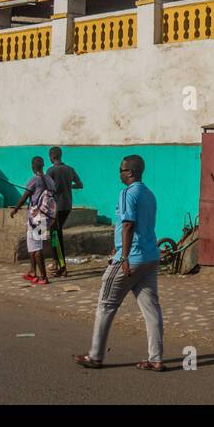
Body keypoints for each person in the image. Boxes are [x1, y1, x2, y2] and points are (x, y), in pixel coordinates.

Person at [74, 155, 164, 370]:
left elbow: (128, 225)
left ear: (130, 172)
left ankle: (95, 356)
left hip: (130, 259)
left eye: (122, 170)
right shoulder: (149, 194)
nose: (120, 173)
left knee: (105, 305)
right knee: (151, 309)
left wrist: (123, 255)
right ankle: (156, 358)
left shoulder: (127, 193)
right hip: (150, 257)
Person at [10, 156, 57, 285]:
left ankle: (43, 277)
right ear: (43, 166)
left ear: (33, 167)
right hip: (43, 217)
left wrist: (15, 209)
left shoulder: (34, 180)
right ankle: (32, 272)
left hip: (37, 218)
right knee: (32, 245)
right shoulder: (50, 180)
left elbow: (25, 196)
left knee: (36, 248)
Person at [46, 146, 82, 278]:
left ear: (53, 156)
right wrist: (68, 186)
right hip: (67, 206)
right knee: (56, 233)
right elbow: (80, 184)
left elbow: (47, 189)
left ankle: (61, 266)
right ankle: (59, 264)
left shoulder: (51, 171)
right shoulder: (70, 169)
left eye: (50, 156)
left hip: (56, 207)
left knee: (56, 235)